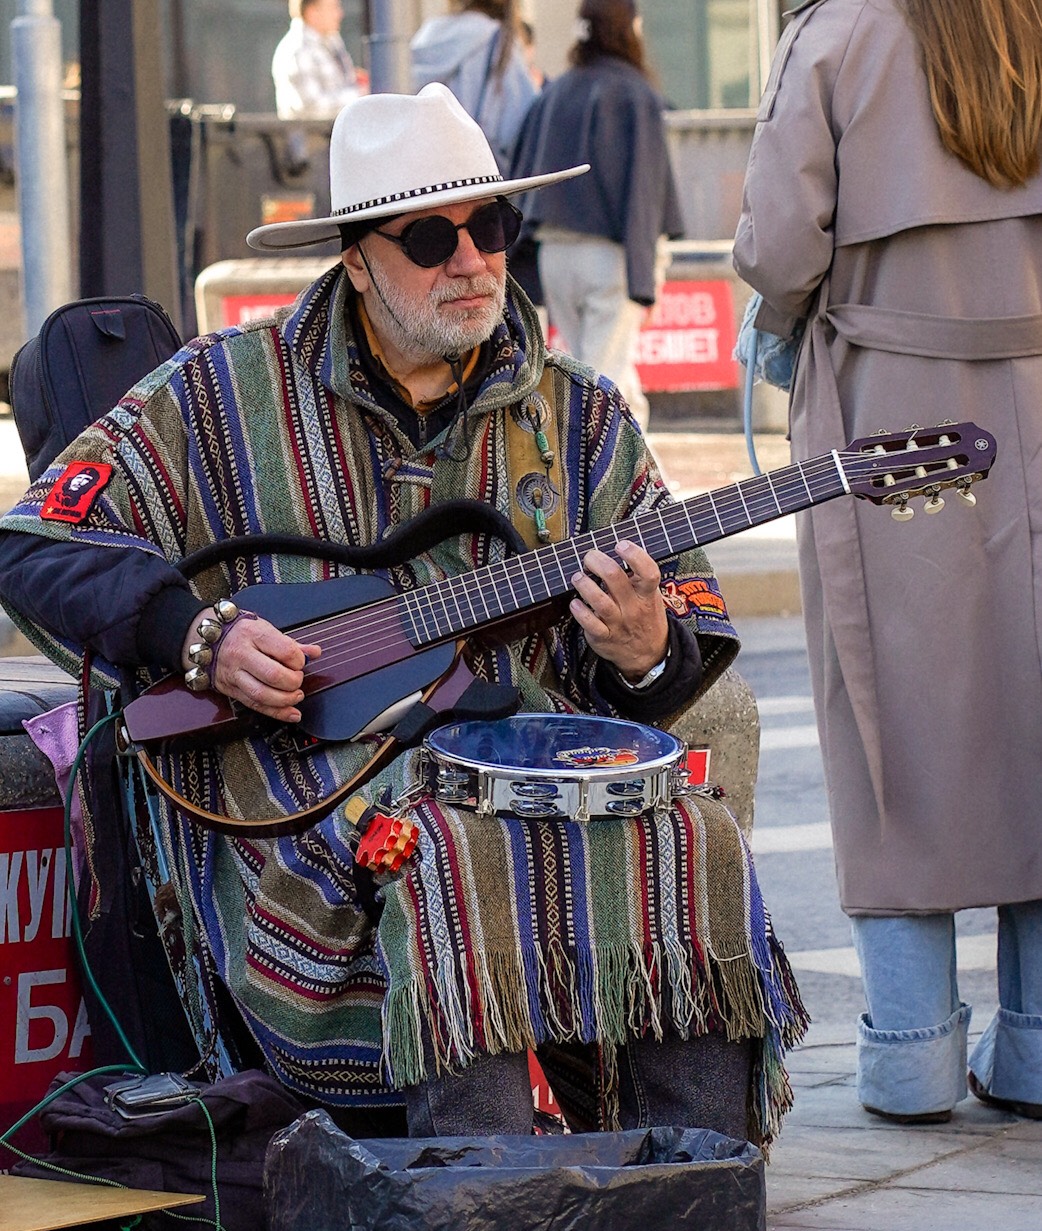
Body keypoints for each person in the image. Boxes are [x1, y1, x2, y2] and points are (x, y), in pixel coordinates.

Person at [0, 83, 806, 1146]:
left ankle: (691, 1187)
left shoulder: (581, 416)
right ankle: (483, 1195)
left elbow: (681, 623)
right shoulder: (219, 395)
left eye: (492, 226)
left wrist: (645, 650)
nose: (472, 260)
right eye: (432, 236)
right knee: (448, 861)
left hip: (531, 765)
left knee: (690, 842)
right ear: (355, 258)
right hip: (304, 786)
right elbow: (41, 537)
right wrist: (198, 638)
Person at [733, 0, 1042, 1124]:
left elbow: (775, 245)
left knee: (889, 724)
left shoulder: (835, 36)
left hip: (887, 418)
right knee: (1035, 716)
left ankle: (910, 1056)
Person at [509, 0, 682, 433]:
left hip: (554, 254)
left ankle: (641, 485)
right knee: (602, 390)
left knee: (607, 376)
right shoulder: (635, 93)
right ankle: (609, 494)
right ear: (629, 29)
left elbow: (523, 175)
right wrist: (647, 277)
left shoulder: (554, 91)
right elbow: (644, 194)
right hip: (611, 258)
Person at [411, 1, 537, 172]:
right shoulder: (499, 41)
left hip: (427, 174)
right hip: (476, 177)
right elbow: (521, 125)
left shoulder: (425, 37)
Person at [272, 0, 362, 122]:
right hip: (314, 139)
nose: (340, 14)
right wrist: (361, 97)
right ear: (312, 12)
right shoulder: (298, 48)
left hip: (336, 135)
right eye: (333, 8)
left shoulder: (332, 41)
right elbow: (311, 108)